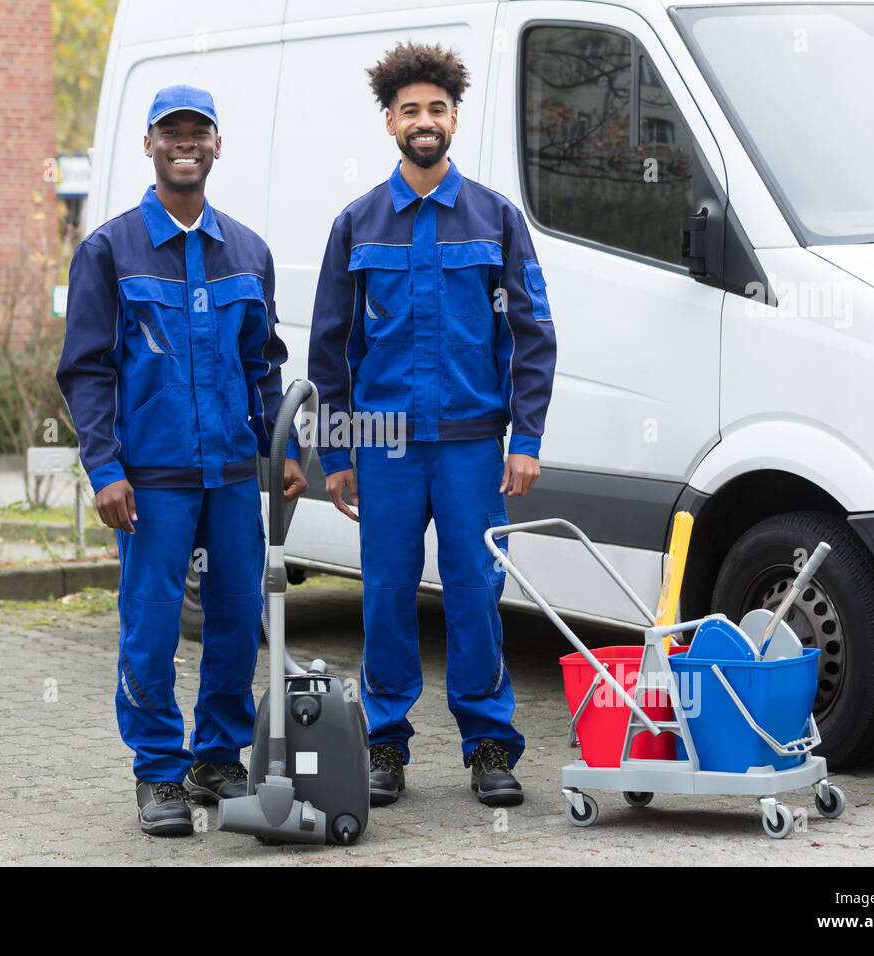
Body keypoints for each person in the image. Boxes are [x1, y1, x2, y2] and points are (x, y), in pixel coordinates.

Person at [307, 43, 556, 807]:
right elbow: (330, 348)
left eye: (437, 109)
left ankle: (488, 744)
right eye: (410, 109)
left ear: (454, 119)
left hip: (472, 439)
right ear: (390, 122)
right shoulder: (357, 224)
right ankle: (383, 744)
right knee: (384, 591)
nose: (424, 121)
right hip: (381, 441)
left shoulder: (496, 219)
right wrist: (337, 451)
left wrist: (528, 438)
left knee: (475, 589)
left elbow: (531, 334)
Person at [57, 85, 305, 837]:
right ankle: (159, 771)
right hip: (153, 480)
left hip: (232, 473)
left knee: (235, 618)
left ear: (217, 147)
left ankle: (215, 757)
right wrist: (105, 469)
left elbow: (264, 363)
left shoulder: (248, 251)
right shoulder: (109, 249)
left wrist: (284, 450)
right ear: (150, 145)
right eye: (172, 133)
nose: (185, 144)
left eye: (199, 133)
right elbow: (86, 370)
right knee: (152, 623)